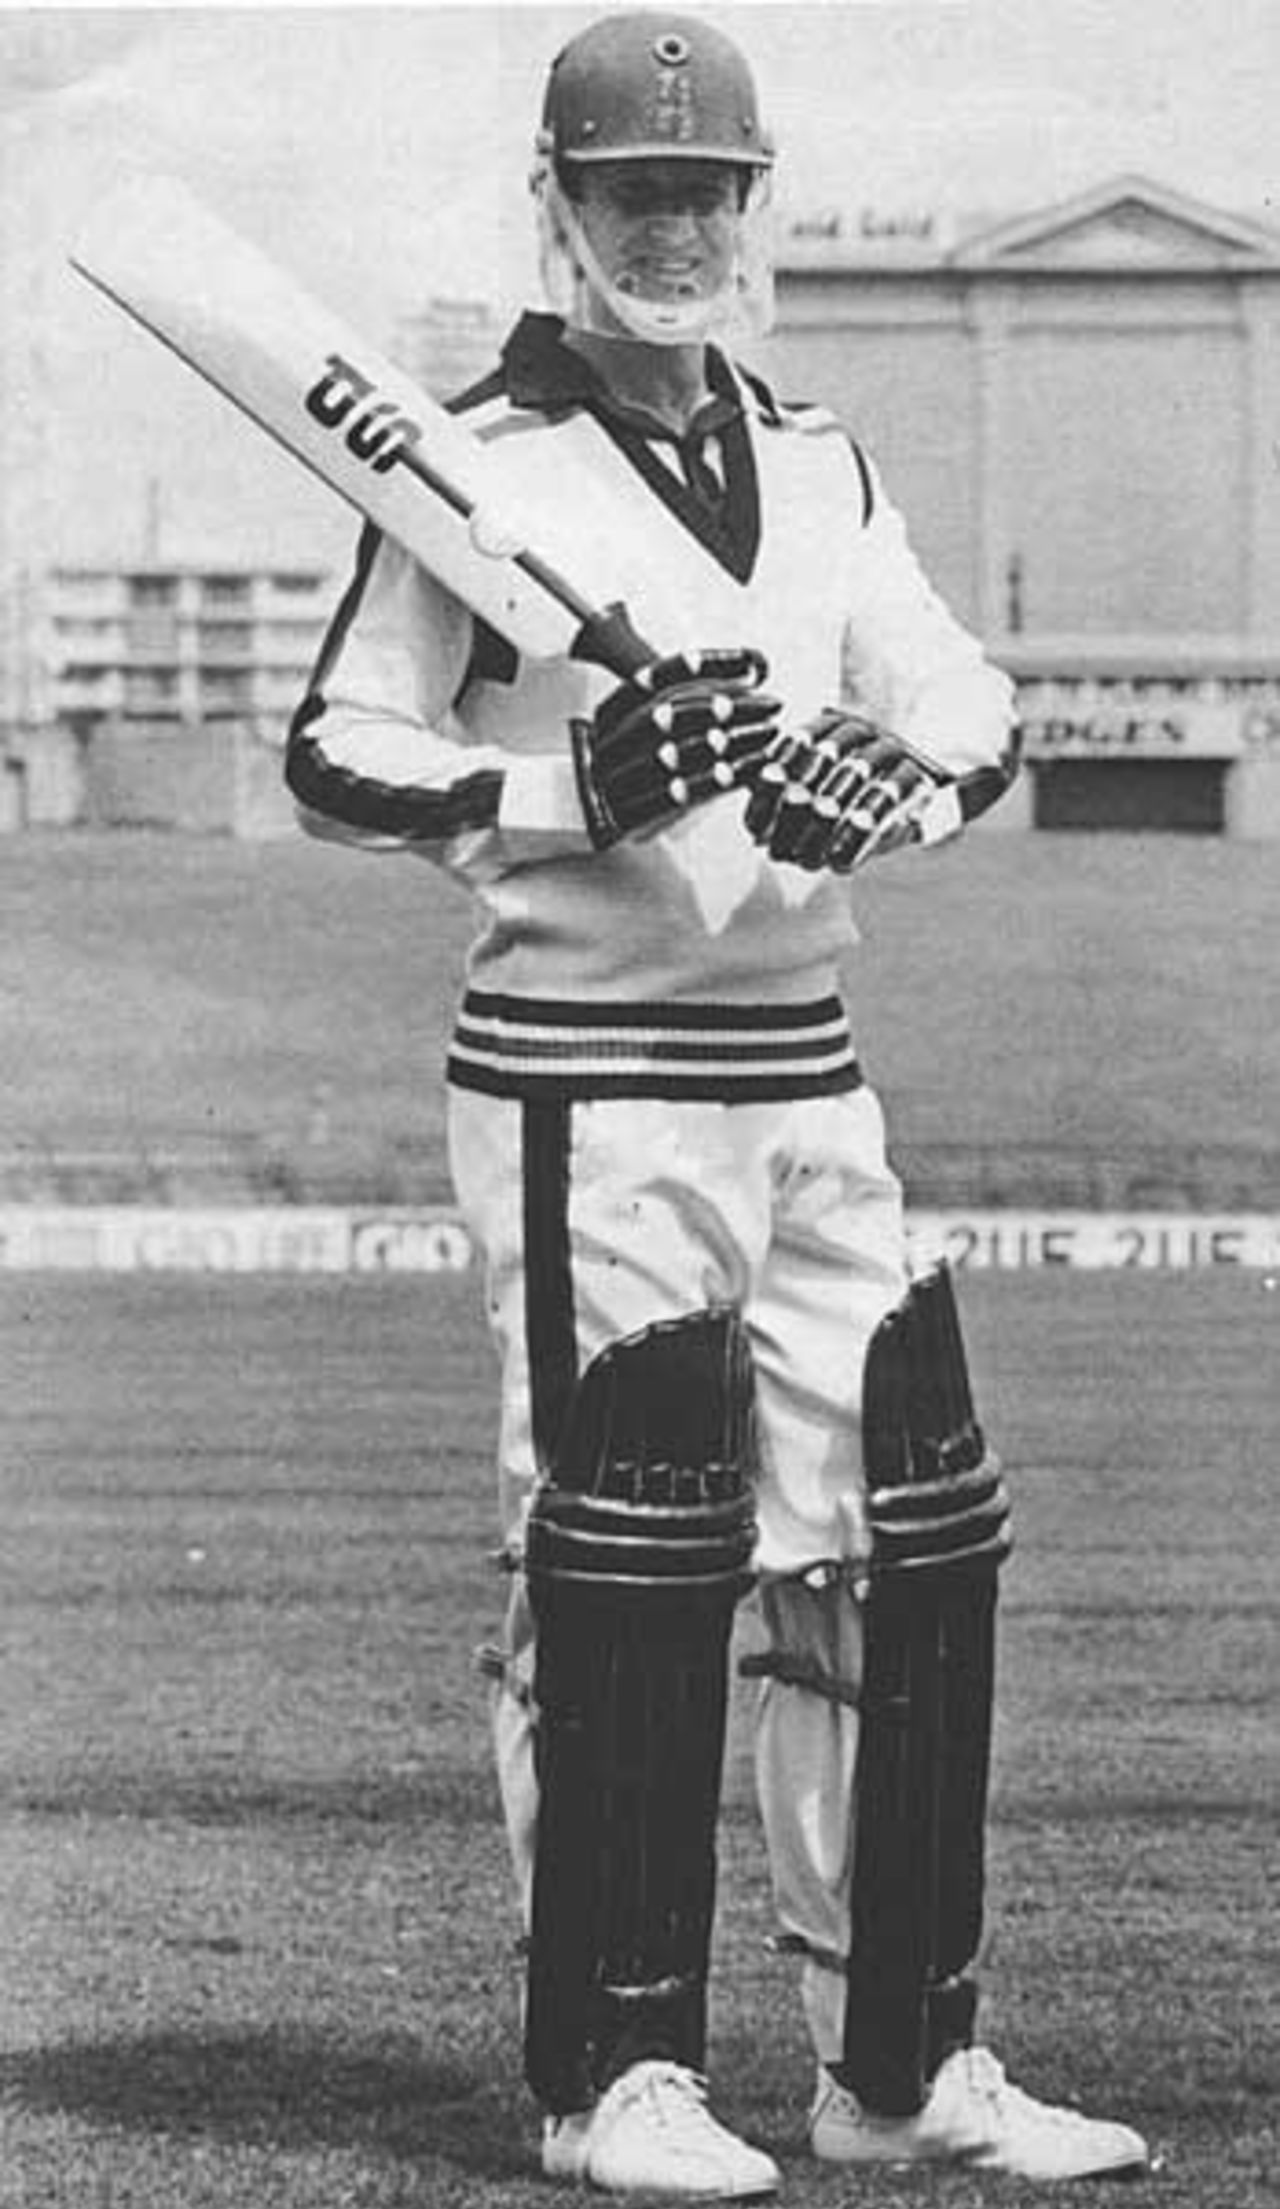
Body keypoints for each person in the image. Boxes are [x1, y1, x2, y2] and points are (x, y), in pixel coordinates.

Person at [285, 11, 1149, 2196]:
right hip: (590, 1083)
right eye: (628, 189)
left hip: (805, 1070)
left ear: (749, 212)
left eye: (703, 190)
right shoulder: (471, 467)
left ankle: (898, 2067)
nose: (669, 224)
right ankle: (610, 2077)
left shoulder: (823, 452)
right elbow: (338, 749)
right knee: (621, 1560)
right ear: (556, 212)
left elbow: (946, 669)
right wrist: (570, 780)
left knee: (902, 1546)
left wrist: (923, 771)